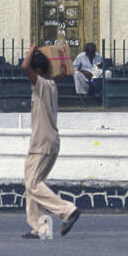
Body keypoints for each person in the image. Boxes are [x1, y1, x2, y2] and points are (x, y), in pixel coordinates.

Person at [20, 48, 80, 238]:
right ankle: (41, 228)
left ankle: (68, 210)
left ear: (38, 71)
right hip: (48, 141)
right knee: (33, 184)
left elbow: (24, 67)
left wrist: (31, 49)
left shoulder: (43, 85)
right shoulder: (51, 85)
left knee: (33, 185)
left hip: (42, 143)